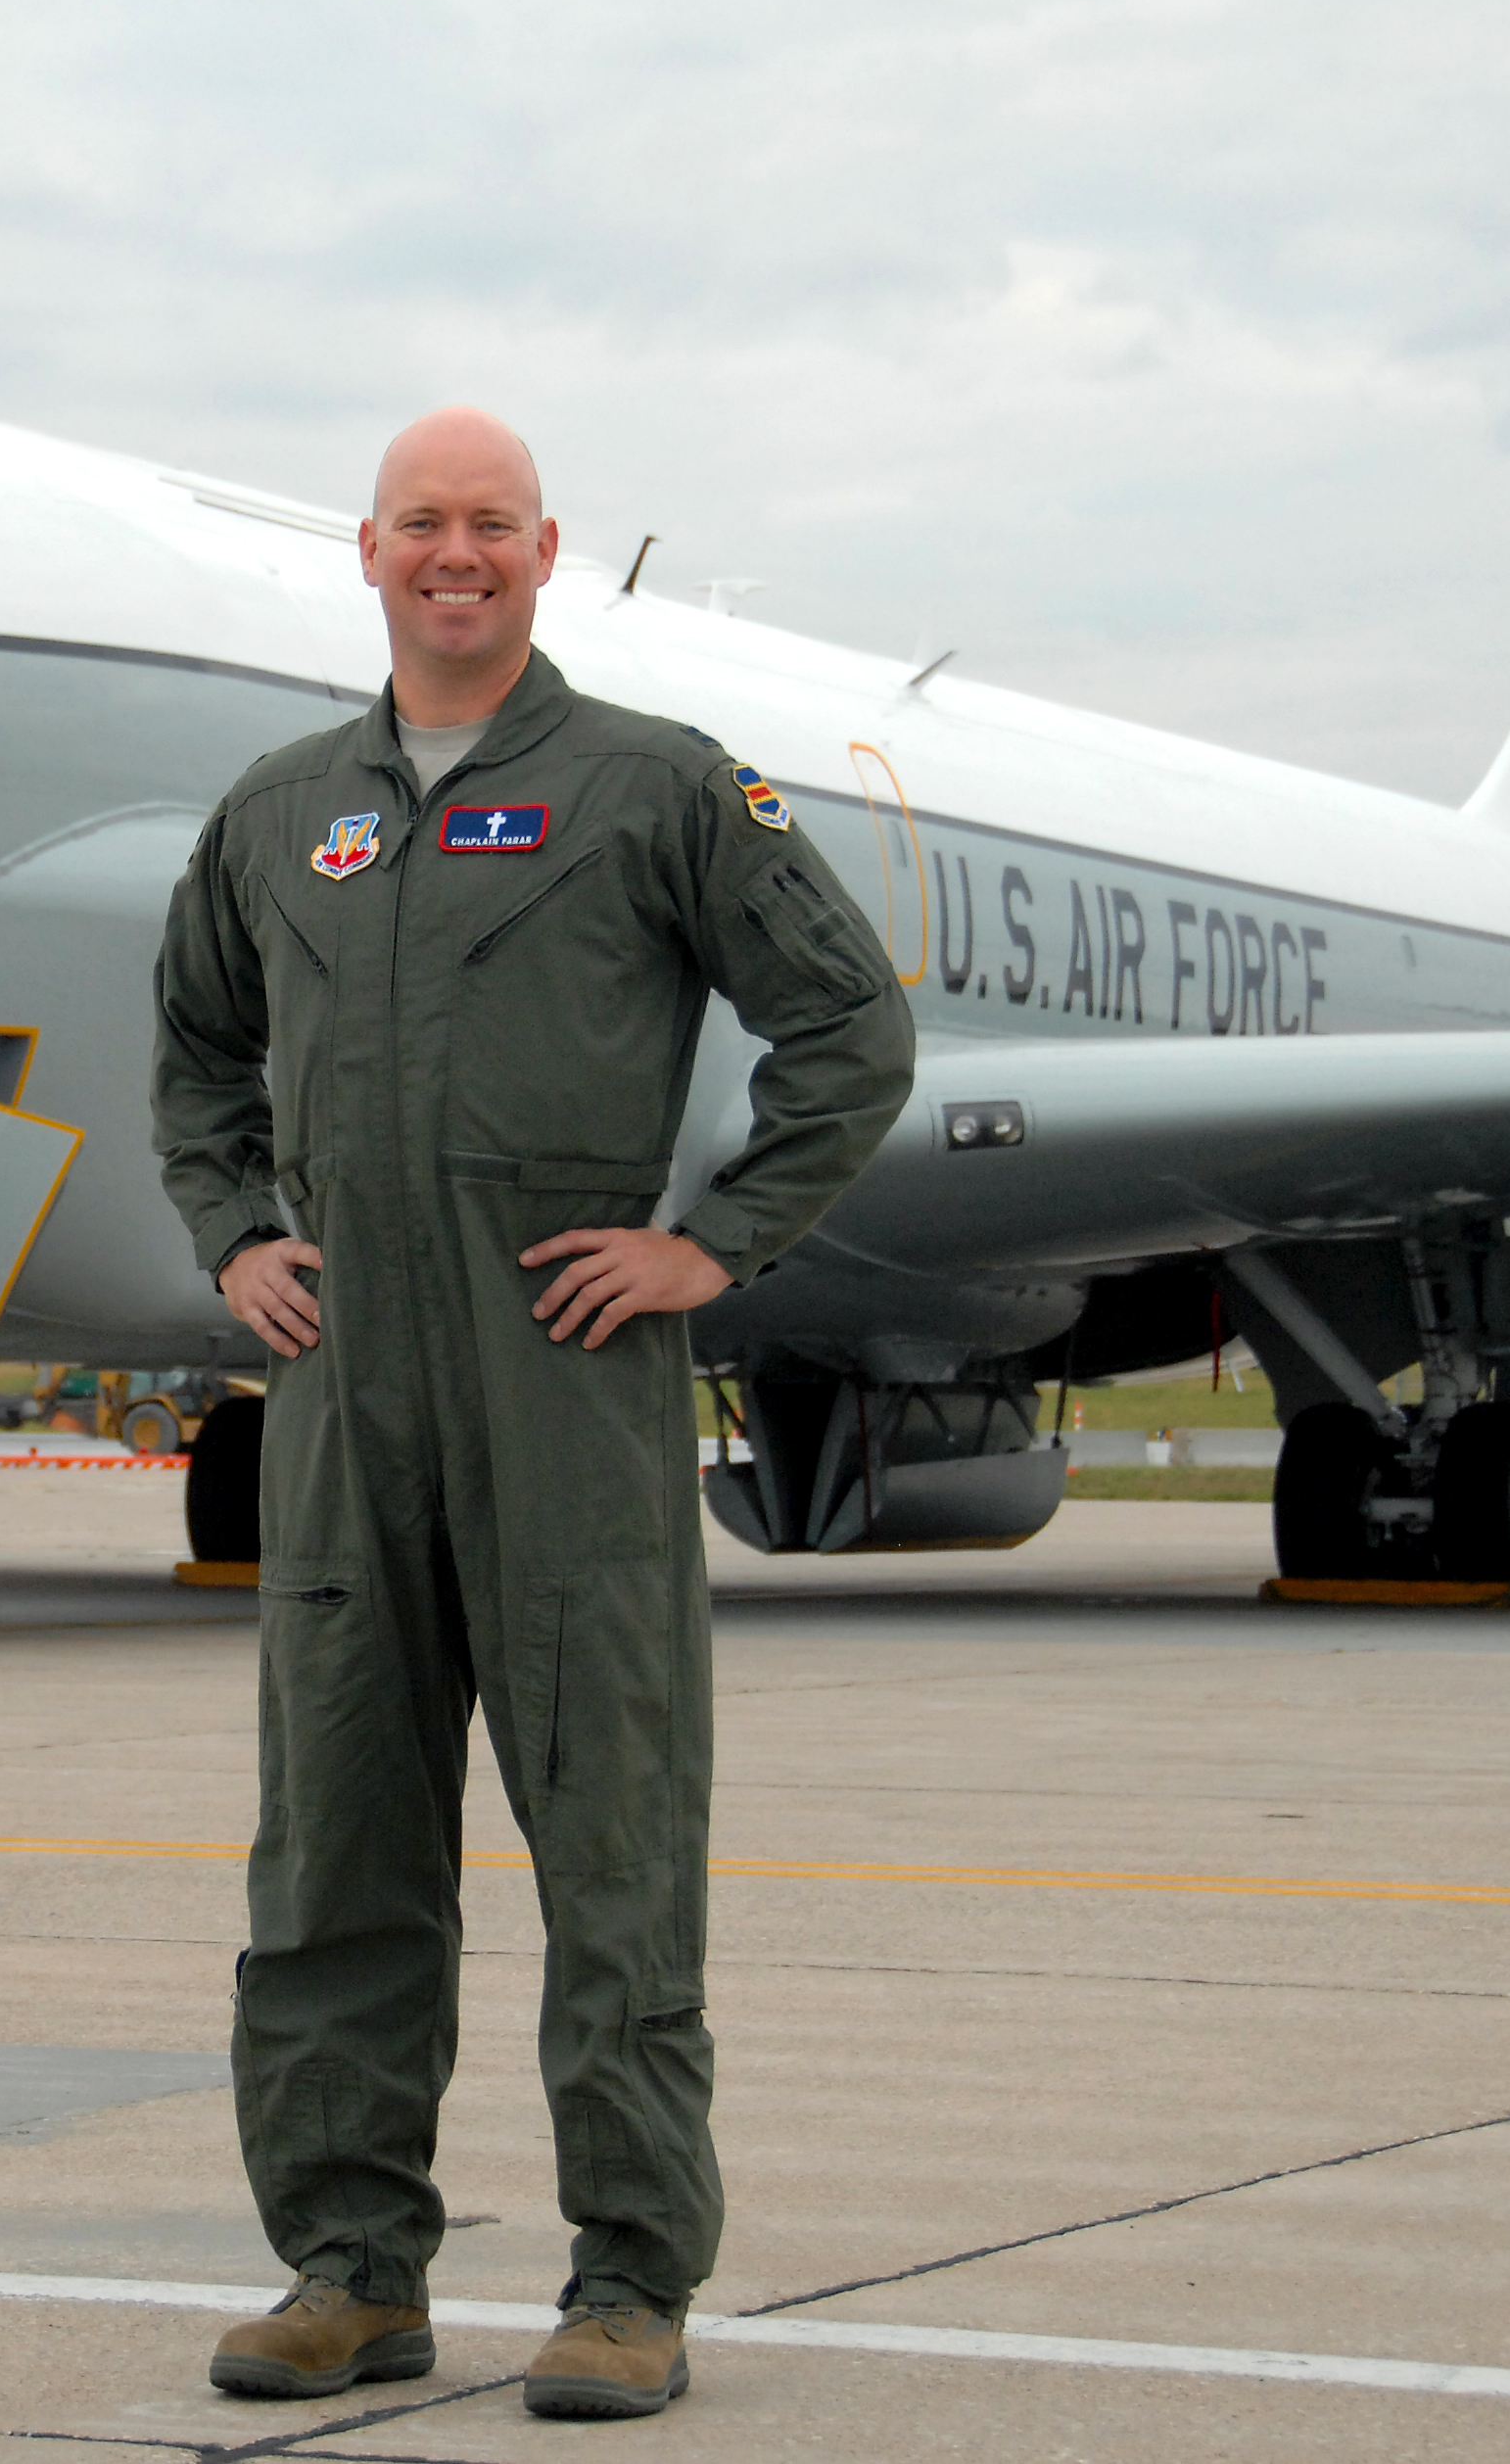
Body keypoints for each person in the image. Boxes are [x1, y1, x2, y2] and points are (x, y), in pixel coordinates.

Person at [149, 406, 915, 2420]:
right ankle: (348, 2267)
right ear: (368, 550)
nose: (453, 553)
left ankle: (627, 2278)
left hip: (563, 1382)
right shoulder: (275, 813)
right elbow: (189, 1053)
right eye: (422, 523)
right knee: (329, 1854)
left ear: (545, 550)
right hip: (340, 1400)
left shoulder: (654, 790)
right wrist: (234, 1230)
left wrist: (711, 1242)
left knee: (612, 1846)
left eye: (488, 524)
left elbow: (848, 1023)